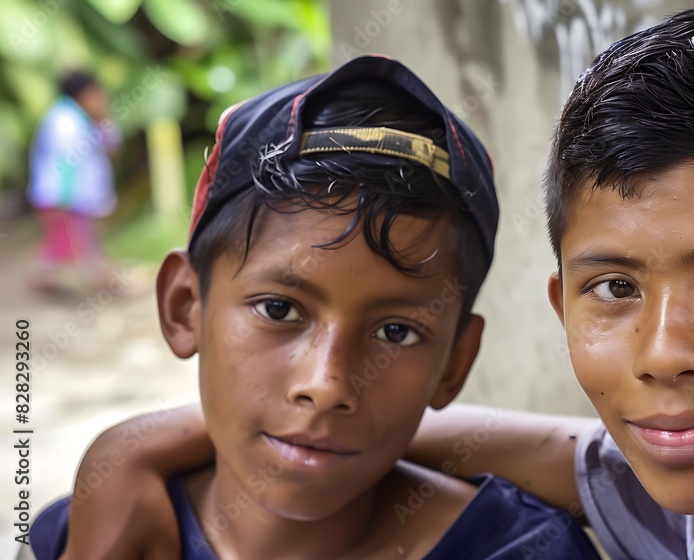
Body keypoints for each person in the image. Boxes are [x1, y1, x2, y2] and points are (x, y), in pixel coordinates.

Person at [55, 8, 694, 559]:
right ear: (560, 306)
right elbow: (459, 432)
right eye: (614, 289)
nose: (665, 353)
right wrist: (127, 451)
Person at [28, 56, 599, 560]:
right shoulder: (98, 527)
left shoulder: (518, 549)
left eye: (397, 332)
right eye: (279, 309)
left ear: (453, 363)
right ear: (184, 306)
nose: (326, 384)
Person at [27, 70, 120, 294]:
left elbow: (113, 145)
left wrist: (102, 118)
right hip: (64, 197)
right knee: (71, 241)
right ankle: (102, 281)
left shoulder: (81, 117)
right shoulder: (64, 120)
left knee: (70, 242)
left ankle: (96, 279)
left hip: (72, 198)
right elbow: (65, 161)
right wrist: (64, 200)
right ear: (85, 93)